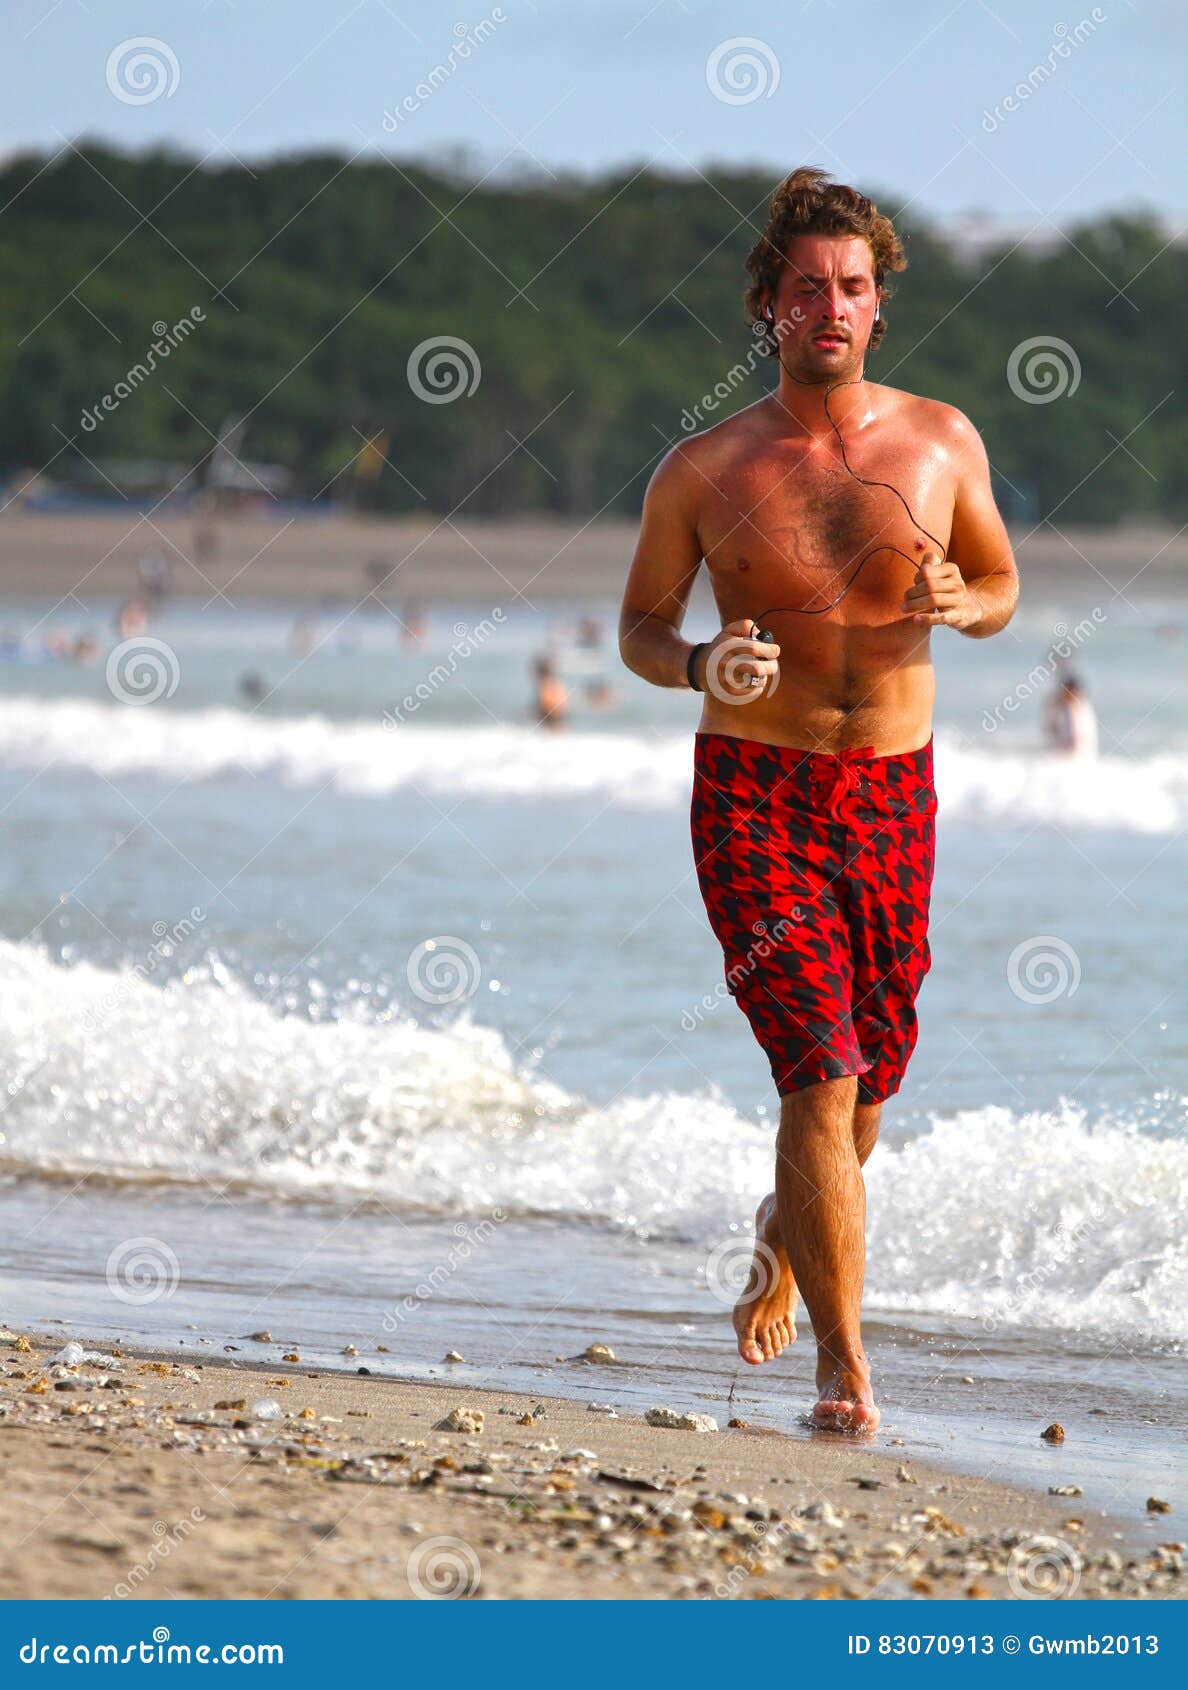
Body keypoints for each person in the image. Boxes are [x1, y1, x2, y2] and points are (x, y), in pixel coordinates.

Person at [618, 168, 1018, 1432]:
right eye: (807, 288)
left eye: (851, 287)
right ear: (769, 306)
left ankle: (784, 1232)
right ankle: (846, 1366)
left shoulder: (945, 442)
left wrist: (969, 604)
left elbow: (1003, 581)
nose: (829, 307)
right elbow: (636, 624)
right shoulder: (703, 467)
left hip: (895, 789)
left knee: (874, 1080)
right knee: (821, 1069)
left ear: (877, 304)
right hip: (754, 790)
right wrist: (694, 662)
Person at [1044, 672, 1098, 758]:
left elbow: (1078, 739)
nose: (1064, 696)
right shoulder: (1065, 709)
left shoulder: (1081, 709)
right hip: (1069, 753)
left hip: (1079, 756)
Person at [531, 653, 568, 730]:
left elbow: (549, 707)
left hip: (552, 724)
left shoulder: (546, 686)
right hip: (558, 722)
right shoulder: (557, 683)